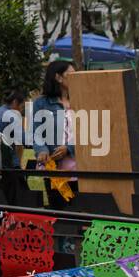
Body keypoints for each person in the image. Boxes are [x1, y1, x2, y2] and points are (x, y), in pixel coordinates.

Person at [33, 60, 77, 208]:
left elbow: (88, 133)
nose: (75, 77)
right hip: (54, 167)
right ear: (58, 77)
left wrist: (69, 148)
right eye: (71, 74)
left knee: (81, 210)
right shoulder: (41, 103)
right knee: (60, 210)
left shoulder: (81, 99)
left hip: (80, 166)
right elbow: (36, 132)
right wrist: (42, 150)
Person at [0, 89, 27, 205]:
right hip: (7, 167)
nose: (21, 110)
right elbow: (24, 139)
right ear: (15, 102)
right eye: (21, 106)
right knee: (17, 202)